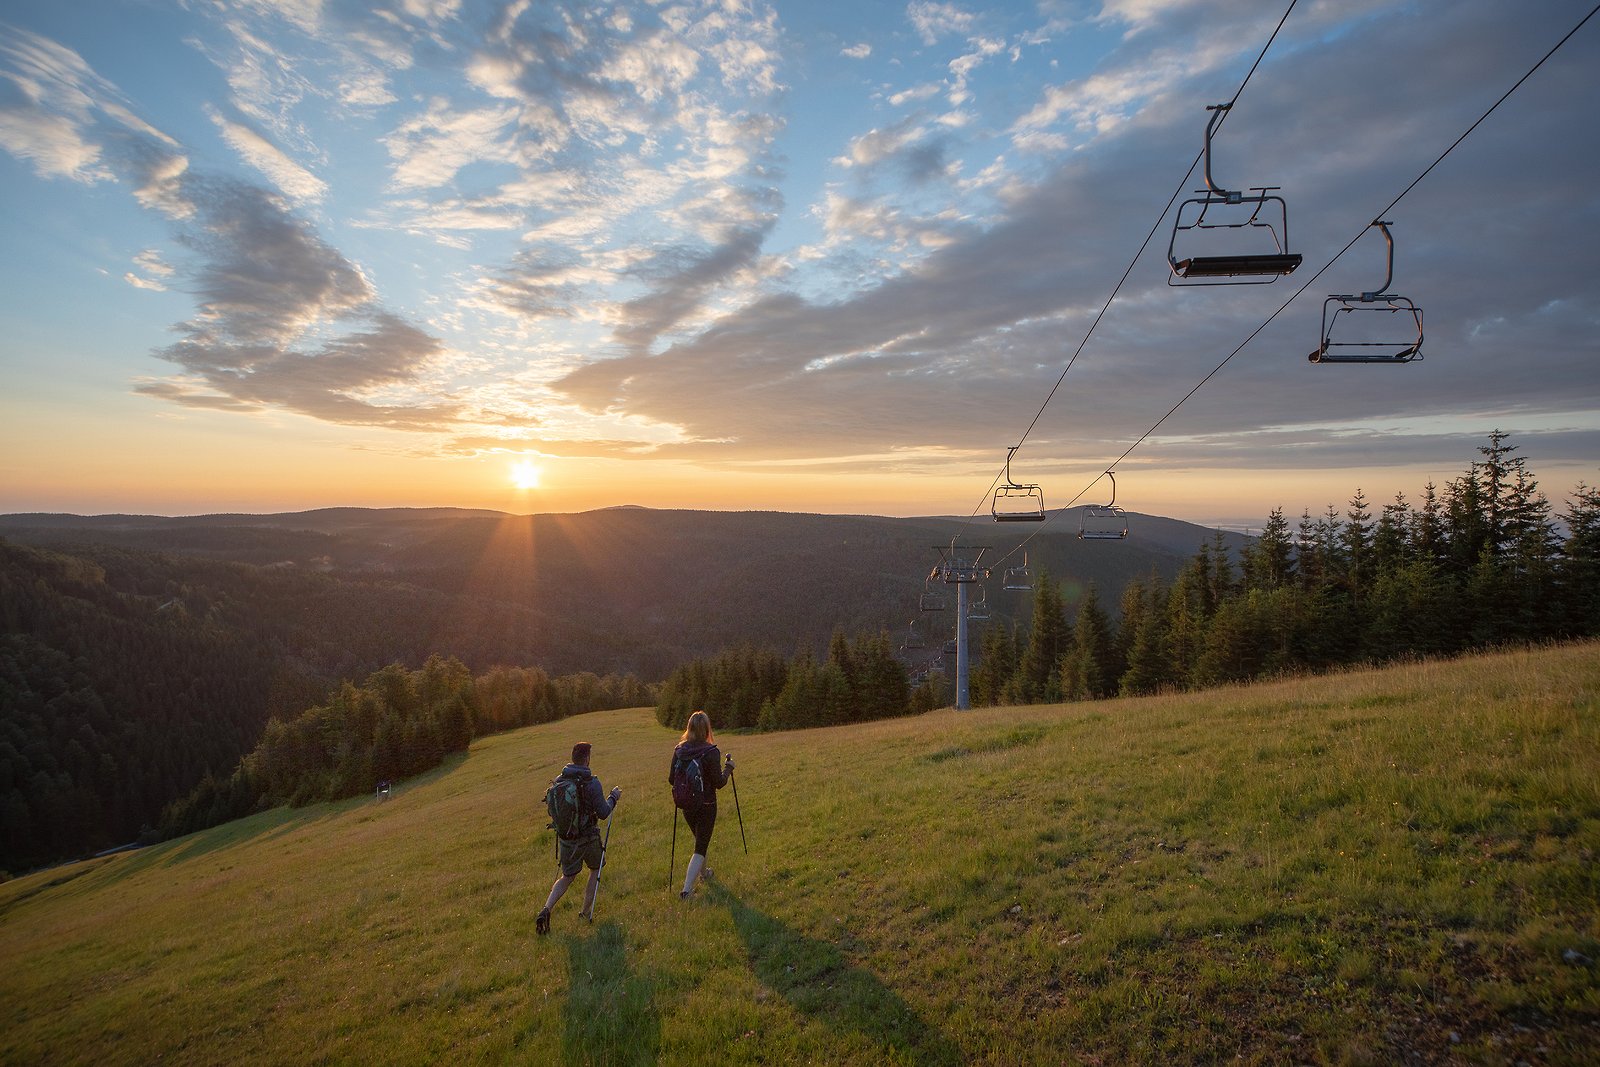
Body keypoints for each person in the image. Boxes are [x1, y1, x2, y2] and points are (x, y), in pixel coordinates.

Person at [537, 741, 620, 935]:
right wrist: (614, 797)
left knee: (567, 877)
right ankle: (585, 912)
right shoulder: (592, 782)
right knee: (595, 869)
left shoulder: (559, 781)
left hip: (566, 839)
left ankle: (546, 909)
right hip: (588, 838)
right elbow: (603, 812)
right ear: (587, 759)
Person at [668, 710, 732, 899]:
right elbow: (719, 783)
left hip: (687, 805)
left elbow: (672, 779)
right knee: (700, 847)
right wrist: (729, 768)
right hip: (706, 805)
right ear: (706, 729)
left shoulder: (679, 750)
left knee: (700, 841)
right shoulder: (711, 752)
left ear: (689, 728)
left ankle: (704, 874)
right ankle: (686, 891)